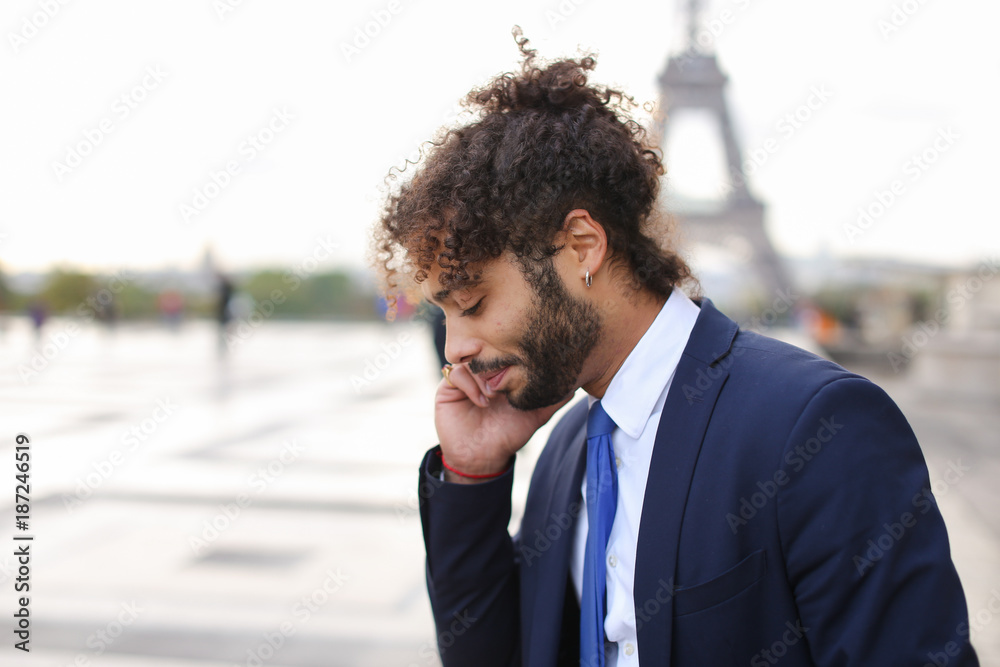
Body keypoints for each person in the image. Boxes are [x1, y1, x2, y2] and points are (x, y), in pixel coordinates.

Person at [373, 31, 977, 666]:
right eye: (444, 317)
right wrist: (472, 472)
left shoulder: (817, 428)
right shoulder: (566, 451)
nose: (457, 350)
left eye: (471, 304)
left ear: (582, 245)